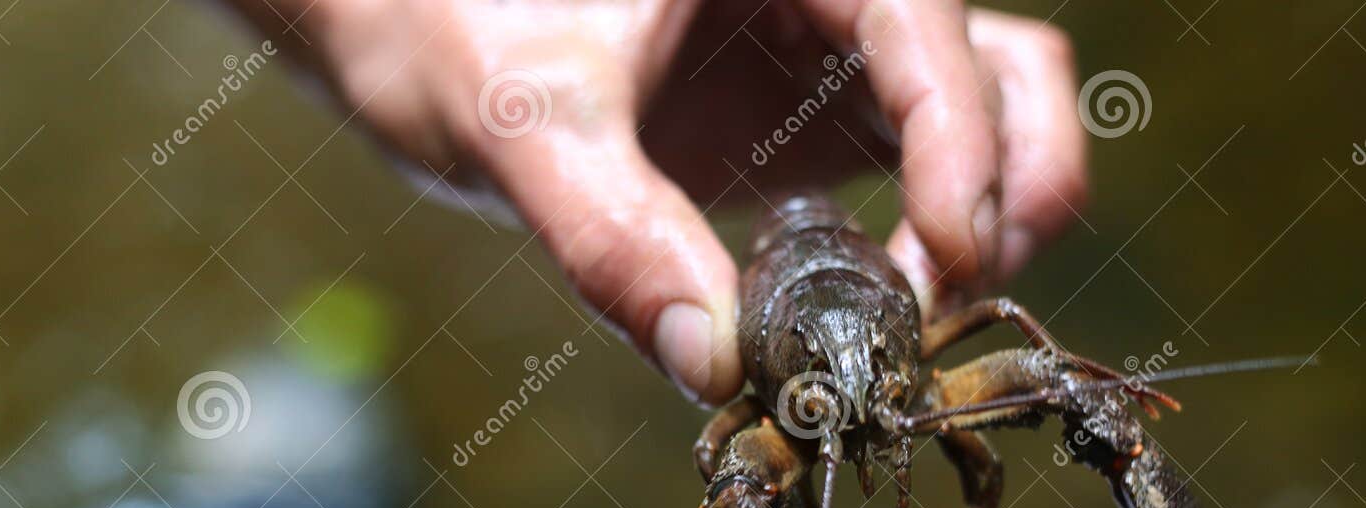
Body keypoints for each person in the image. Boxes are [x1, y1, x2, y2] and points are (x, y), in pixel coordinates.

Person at [224, 0, 1087, 406]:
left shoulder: (920, 356)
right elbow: (728, 449)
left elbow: (1001, 311)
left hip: (832, 258)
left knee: (1070, 391)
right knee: (738, 503)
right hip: (791, 256)